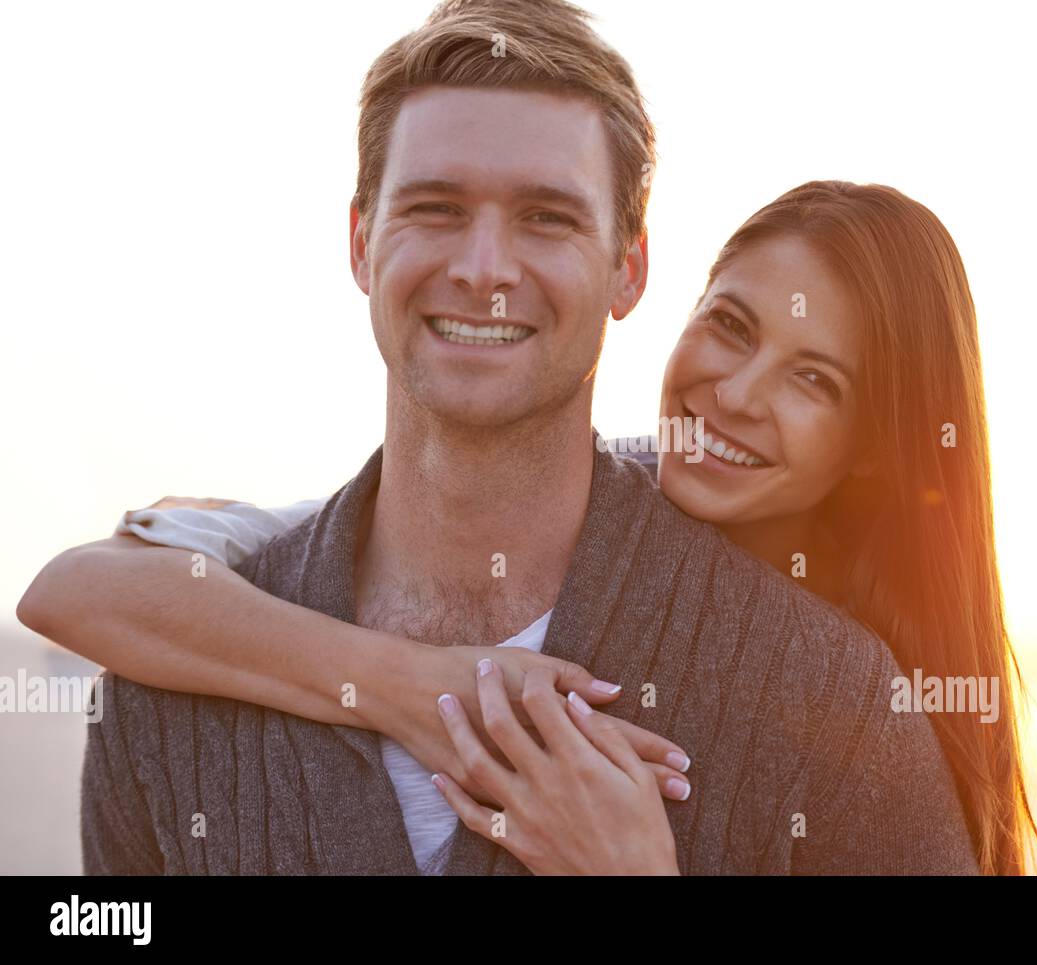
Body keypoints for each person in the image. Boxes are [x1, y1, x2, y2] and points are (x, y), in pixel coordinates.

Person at [19, 0, 980, 875]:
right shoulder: (168, 688)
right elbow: (76, 588)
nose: (484, 269)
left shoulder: (833, 702)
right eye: (436, 208)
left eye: (546, 218)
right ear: (361, 241)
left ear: (629, 268)